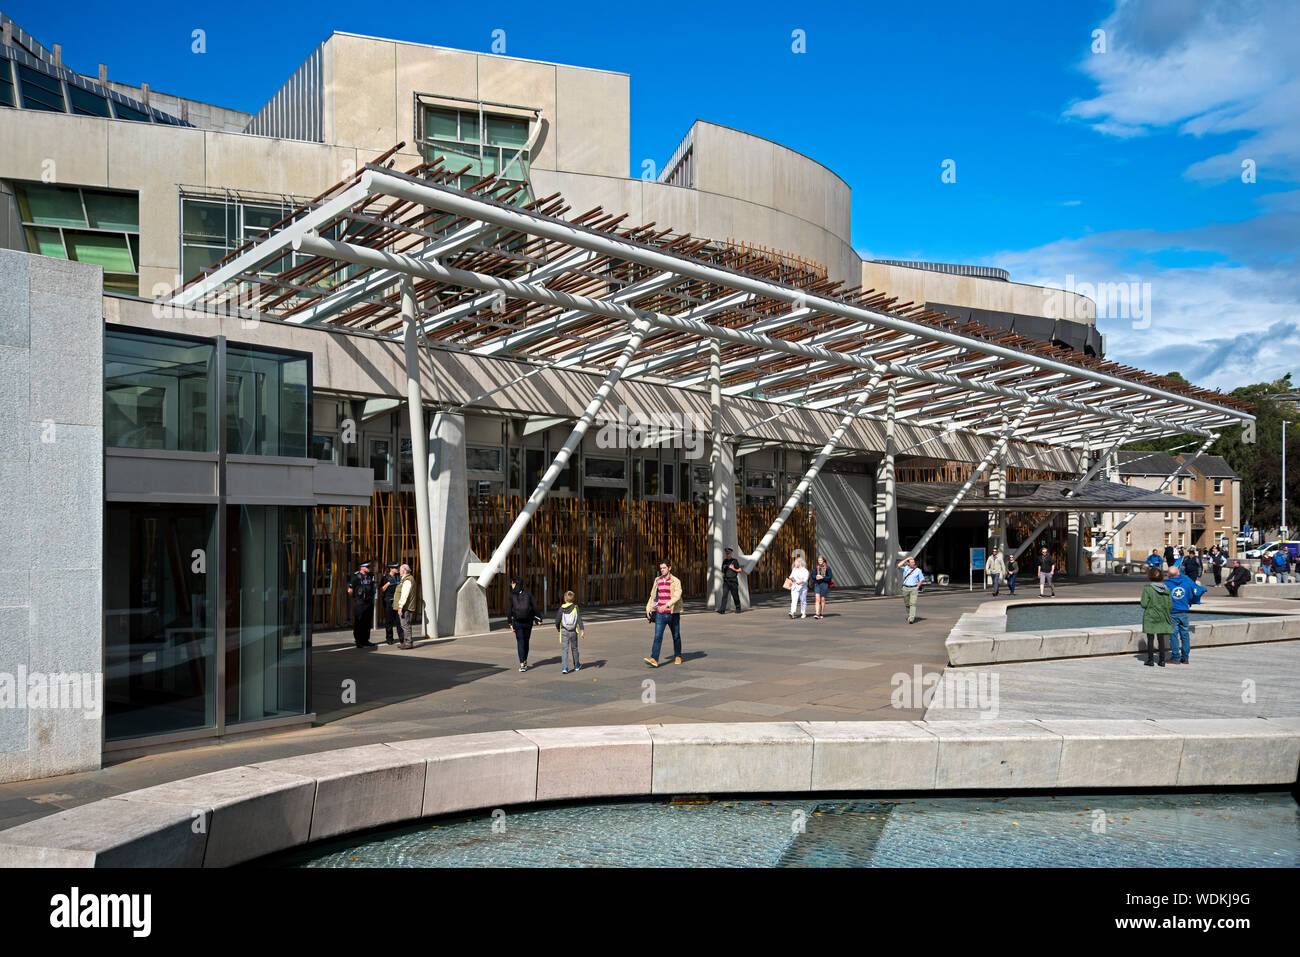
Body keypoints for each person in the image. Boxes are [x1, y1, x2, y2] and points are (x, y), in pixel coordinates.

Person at [644, 560, 683, 667]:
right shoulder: (657, 580)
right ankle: (654, 659)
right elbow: (653, 596)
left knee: (676, 636)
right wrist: (648, 608)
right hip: (660, 614)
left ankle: (678, 655)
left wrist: (666, 605)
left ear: (669, 568)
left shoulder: (676, 581)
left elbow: (677, 596)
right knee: (657, 636)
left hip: (673, 613)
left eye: (664, 568)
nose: (662, 570)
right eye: (661, 568)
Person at [1166, 563, 1205, 665]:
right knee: (1185, 635)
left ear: (1168, 575)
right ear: (1179, 574)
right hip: (1184, 612)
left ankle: (1175, 657)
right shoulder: (1187, 584)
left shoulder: (1167, 585)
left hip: (1172, 613)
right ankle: (1185, 657)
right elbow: (1191, 597)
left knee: (1174, 635)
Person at [1139, 566, 1174, 667]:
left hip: (1151, 616)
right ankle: (1162, 660)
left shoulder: (1148, 589)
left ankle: (1150, 660)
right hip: (1163, 615)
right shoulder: (1166, 589)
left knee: (1150, 638)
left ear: (1150, 577)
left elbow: (1144, 604)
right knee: (1161, 638)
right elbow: (1170, 605)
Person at [507, 577, 541, 672]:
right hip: (528, 621)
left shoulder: (511, 594)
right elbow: (535, 606)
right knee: (526, 641)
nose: (511, 585)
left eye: (512, 583)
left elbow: (509, 610)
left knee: (520, 642)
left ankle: (522, 664)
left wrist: (510, 623)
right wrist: (539, 618)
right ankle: (525, 660)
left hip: (517, 621)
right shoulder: (528, 592)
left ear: (515, 583)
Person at [347, 560, 376, 648]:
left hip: (369, 602)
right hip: (360, 603)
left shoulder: (371, 576)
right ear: (362, 567)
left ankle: (365, 640)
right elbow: (350, 590)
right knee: (359, 622)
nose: (369, 568)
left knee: (367, 623)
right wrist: (356, 599)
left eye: (369, 567)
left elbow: (373, 587)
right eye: (367, 567)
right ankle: (358, 641)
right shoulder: (356, 577)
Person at [555, 590, 585, 674]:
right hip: (573, 631)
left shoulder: (562, 608)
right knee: (574, 648)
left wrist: (558, 628)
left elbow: (557, 619)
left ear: (565, 599)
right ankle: (576, 665)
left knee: (565, 649)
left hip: (564, 630)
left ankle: (565, 668)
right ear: (573, 599)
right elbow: (579, 620)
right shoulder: (575, 608)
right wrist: (582, 630)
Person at [392, 563, 417, 649]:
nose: (399, 571)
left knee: (405, 625)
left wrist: (400, 606)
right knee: (406, 625)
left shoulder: (407, 580)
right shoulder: (407, 579)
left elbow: (404, 595)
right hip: (407, 606)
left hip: (406, 607)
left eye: (400, 570)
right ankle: (406, 642)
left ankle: (408, 643)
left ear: (404, 571)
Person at [897, 556, 924, 624]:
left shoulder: (918, 570)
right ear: (908, 563)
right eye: (911, 562)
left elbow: (921, 579)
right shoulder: (905, 568)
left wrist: (917, 587)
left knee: (913, 603)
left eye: (914, 562)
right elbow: (899, 565)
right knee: (907, 604)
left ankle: (911, 618)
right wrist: (906, 559)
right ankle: (910, 614)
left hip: (914, 588)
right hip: (905, 588)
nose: (913, 563)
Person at [379, 562, 401, 644]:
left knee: (399, 621)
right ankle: (389, 638)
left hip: (397, 601)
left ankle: (401, 637)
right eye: (396, 568)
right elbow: (381, 589)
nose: (397, 569)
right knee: (389, 621)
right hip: (388, 601)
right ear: (391, 569)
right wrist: (388, 583)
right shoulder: (385, 577)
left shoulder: (399, 576)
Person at [717, 547, 743, 614]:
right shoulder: (725, 561)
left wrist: (733, 568)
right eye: (726, 554)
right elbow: (722, 571)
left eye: (729, 553)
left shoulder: (735, 561)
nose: (727, 555)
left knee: (735, 595)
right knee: (724, 595)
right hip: (726, 581)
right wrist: (723, 568)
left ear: (731, 554)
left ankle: (738, 608)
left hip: (733, 581)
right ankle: (722, 610)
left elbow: (740, 570)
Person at [811, 555, 833, 619]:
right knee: (817, 599)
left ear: (823, 560)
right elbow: (813, 575)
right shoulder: (816, 567)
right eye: (818, 560)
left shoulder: (827, 568)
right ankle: (817, 614)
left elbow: (830, 577)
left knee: (822, 600)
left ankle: (821, 613)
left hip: (824, 584)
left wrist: (822, 577)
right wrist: (816, 577)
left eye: (821, 560)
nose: (819, 561)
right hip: (817, 584)